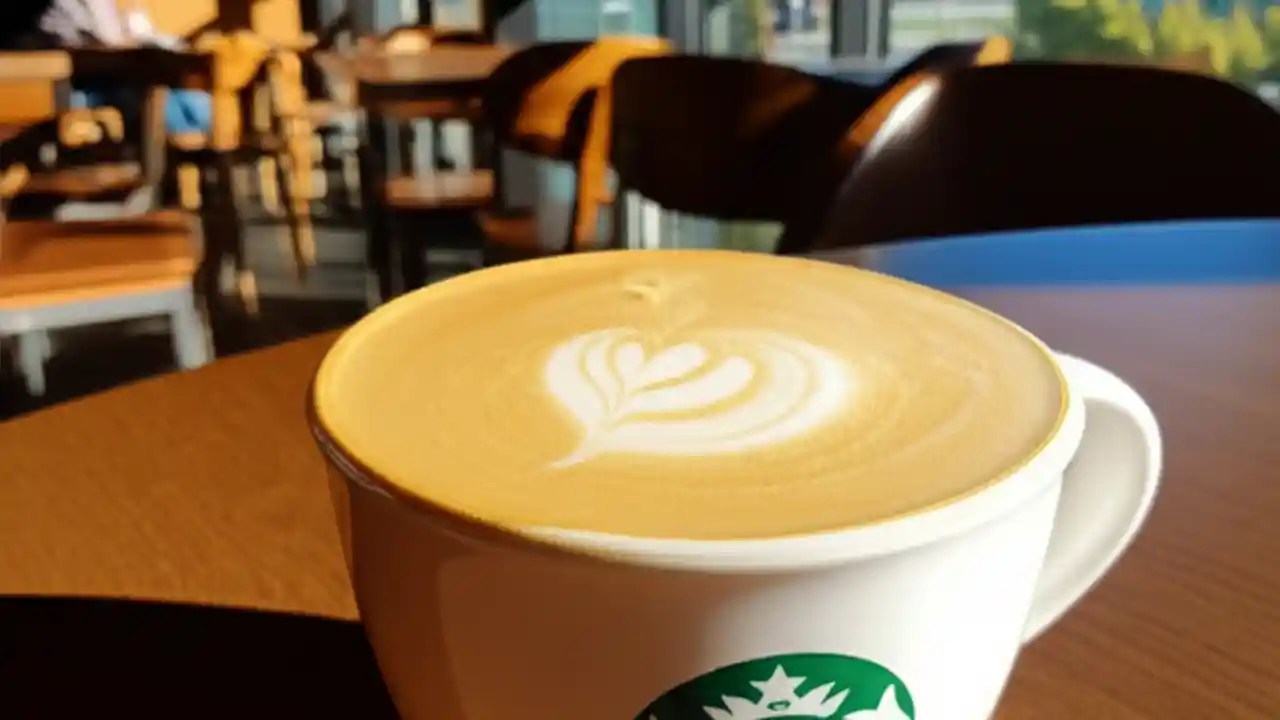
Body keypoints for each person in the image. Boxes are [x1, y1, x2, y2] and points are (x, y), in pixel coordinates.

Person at [37, 0, 212, 134]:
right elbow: (109, 39)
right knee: (183, 106)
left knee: (193, 103)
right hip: (86, 86)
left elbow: (130, 33)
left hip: (120, 80)